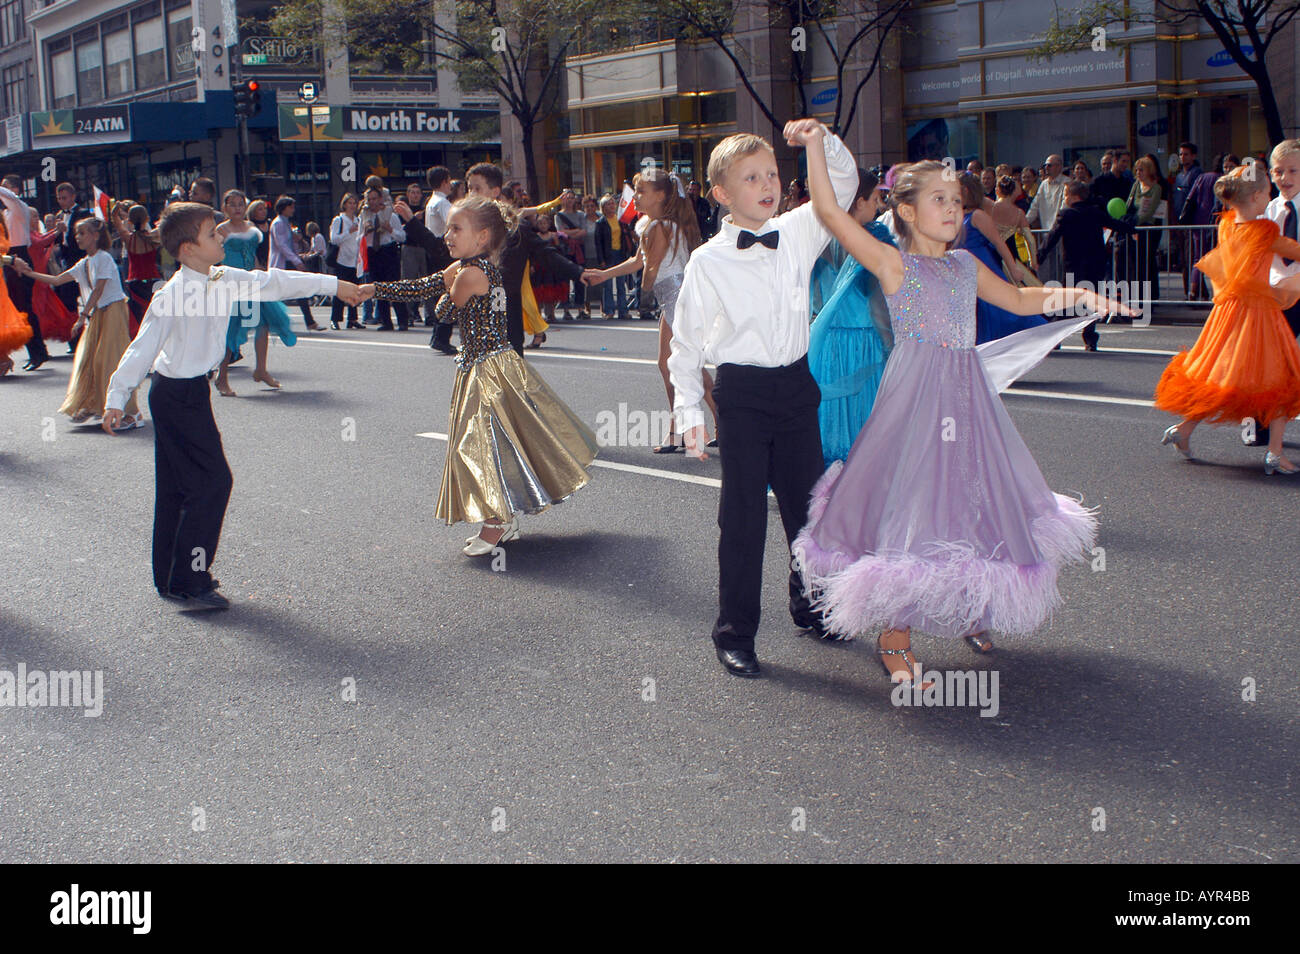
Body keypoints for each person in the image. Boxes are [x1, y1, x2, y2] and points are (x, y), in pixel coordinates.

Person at [791, 152, 1133, 687]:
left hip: (968, 401)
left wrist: (1078, 295)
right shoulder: (893, 264)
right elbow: (831, 213)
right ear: (904, 211)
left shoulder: (964, 265)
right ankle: (895, 638)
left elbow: (1021, 299)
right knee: (912, 508)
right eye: (939, 200)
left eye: (957, 201)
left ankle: (969, 605)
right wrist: (813, 144)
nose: (953, 210)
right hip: (914, 403)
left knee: (974, 497)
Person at [667, 119, 860, 678]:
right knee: (744, 519)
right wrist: (689, 412)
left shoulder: (799, 229)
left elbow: (842, 187)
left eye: (772, 173)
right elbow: (684, 345)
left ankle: (814, 607)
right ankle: (735, 633)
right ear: (723, 194)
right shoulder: (707, 262)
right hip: (744, 395)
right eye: (751, 178)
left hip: (798, 388)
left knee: (810, 510)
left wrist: (821, 142)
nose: (767, 184)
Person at [99, 202, 358, 609]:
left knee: (179, 489)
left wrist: (333, 285)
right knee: (212, 483)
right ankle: (189, 580)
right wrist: (116, 398)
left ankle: (172, 577)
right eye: (211, 234)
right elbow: (141, 348)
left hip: (187, 393)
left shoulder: (221, 277)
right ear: (187, 249)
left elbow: (273, 282)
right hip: (175, 396)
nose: (221, 238)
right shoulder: (172, 295)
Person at [364, 195, 598, 555]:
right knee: (495, 444)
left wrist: (444, 283)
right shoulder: (478, 268)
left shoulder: (471, 273)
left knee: (480, 447)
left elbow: (441, 310)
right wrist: (375, 289)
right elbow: (423, 285)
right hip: (490, 364)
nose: (448, 235)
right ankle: (501, 518)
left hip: (486, 371)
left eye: (457, 229)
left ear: (483, 236)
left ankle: (497, 522)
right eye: (448, 229)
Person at [1155, 162, 1300, 475]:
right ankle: (1274, 453)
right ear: (1258, 196)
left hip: (1227, 314)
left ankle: (1183, 430)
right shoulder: (1264, 230)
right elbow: (1293, 250)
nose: (1270, 196)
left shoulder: (1228, 224)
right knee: (1282, 378)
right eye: (1267, 192)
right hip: (1258, 315)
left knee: (1219, 379)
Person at [584, 169, 717, 453]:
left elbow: (648, 270)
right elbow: (637, 261)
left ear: (661, 195)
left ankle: (683, 429)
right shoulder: (660, 225)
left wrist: (644, 284)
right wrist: (604, 275)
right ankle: (710, 424)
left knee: (679, 365)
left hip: (677, 298)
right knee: (679, 364)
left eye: (641, 191)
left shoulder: (660, 228)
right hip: (674, 299)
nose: (636, 197)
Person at [15, 217, 141, 427]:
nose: (77, 237)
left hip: (113, 310)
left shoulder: (104, 259)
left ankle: (132, 413)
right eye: (76, 233)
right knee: (88, 360)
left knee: (109, 361)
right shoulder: (85, 263)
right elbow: (56, 280)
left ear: (95, 236)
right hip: (99, 312)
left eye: (82, 233)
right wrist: (29, 273)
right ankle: (93, 405)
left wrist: (82, 316)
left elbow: (99, 289)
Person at [807, 166, 894, 469]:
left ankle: (830, 481)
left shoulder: (818, 238)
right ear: (858, 202)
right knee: (866, 420)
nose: (878, 207)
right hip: (864, 341)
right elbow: (878, 302)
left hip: (829, 341)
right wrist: (890, 343)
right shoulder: (875, 237)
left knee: (833, 420)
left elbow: (816, 298)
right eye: (874, 199)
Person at [212, 189, 298, 396]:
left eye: (240, 204)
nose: (237, 208)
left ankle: (261, 369)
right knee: (231, 330)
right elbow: (214, 258)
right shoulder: (220, 230)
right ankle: (221, 376)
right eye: (232, 204)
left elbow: (254, 256)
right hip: (231, 283)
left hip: (252, 280)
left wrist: (260, 272)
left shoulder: (251, 227)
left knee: (264, 323)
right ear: (224, 208)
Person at [1037, 180, 1136, 350]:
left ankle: (1056, 337)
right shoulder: (1095, 212)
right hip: (1095, 264)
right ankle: (1090, 339)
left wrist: (1039, 256)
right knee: (1092, 303)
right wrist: (1133, 229)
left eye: (1066, 194)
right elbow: (1114, 223)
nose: (1065, 197)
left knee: (1066, 303)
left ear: (1074, 196)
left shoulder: (1065, 214)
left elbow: (1051, 238)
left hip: (1073, 265)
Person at [958, 173, 1046, 342]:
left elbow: (998, 242)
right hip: (966, 267)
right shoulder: (961, 215)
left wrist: (1013, 268)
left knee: (999, 306)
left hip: (982, 266)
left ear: (966, 191)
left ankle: (1039, 332)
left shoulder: (978, 216)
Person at [0, 176, 47, 370]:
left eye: (6, 187)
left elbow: (9, 197)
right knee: (19, 307)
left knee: (25, 307)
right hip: (10, 258)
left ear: (15, 189)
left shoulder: (20, 208)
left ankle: (38, 352)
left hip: (19, 256)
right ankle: (36, 351)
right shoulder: (8, 213)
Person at [268, 196, 322, 331]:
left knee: (298, 290)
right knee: (281, 292)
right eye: (290, 207)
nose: (293, 210)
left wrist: (296, 240)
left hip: (288, 261)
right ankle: (275, 321)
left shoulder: (285, 223)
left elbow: (288, 245)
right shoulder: (278, 223)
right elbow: (281, 245)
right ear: (283, 208)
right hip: (283, 263)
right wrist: (296, 260)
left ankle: (309, 321)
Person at [359, 186, 408, 331]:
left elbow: (402, 236)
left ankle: (403, 320)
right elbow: (357, 238)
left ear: (380, 199)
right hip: (373, 252)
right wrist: (364, 232)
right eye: (369, 199)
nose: (372, 202)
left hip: (388, 251)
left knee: (394, 286)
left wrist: (390, 229)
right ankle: (386, 321)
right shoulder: (364, 216)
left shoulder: (390, 215)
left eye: (375, 198)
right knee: (378, 288)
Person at [111, 202, 162, 332]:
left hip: (135, 282)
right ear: (147, 219)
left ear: (130, 221)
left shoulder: (128, 239)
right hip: (153, 281)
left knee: (140, 319)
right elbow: (166, 223)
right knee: (156, 316)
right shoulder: (154, 236)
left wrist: (116, 208)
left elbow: (114, 218)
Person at [594, 194, 635, 321]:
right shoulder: (600, 222)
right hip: (608, 255)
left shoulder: (620, 221)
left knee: (620, 284)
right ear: (603, 207)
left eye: (613, 203)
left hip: (620, 254)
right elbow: (598, 243)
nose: (612, 206)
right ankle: (609, 310)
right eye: (608, 204)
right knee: (608, 284)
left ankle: (623, 310)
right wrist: (601, 260)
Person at [328, 193, 364, 329]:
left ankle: (353, 319)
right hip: (342, 260)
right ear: (344, 204)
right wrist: (349, 231)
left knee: (355, 290)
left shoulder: (358, 220)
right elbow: (334, 239)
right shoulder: (339, 220)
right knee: (340, 291)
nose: (352, 206)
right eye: (349, 203)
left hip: (355, 261)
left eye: (354, 203)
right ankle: (335, 319)